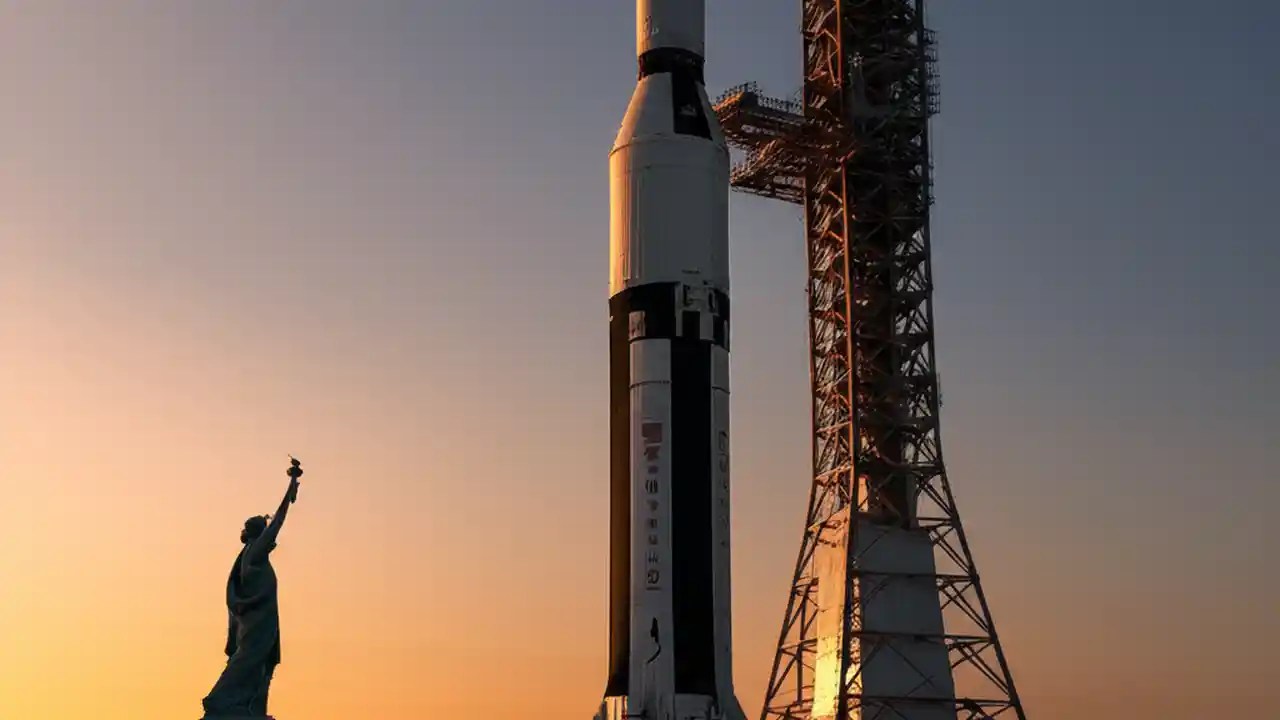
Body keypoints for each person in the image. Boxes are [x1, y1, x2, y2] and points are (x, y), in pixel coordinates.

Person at [202, 462, 302, 717]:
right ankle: (220, 699)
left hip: (256, 623)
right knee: (248, 662)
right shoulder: (255, 554)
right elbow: (277, 522)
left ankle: (251, 707)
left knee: (257, 666)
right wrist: (289, 491)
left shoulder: (247, 554)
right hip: (258, 625)